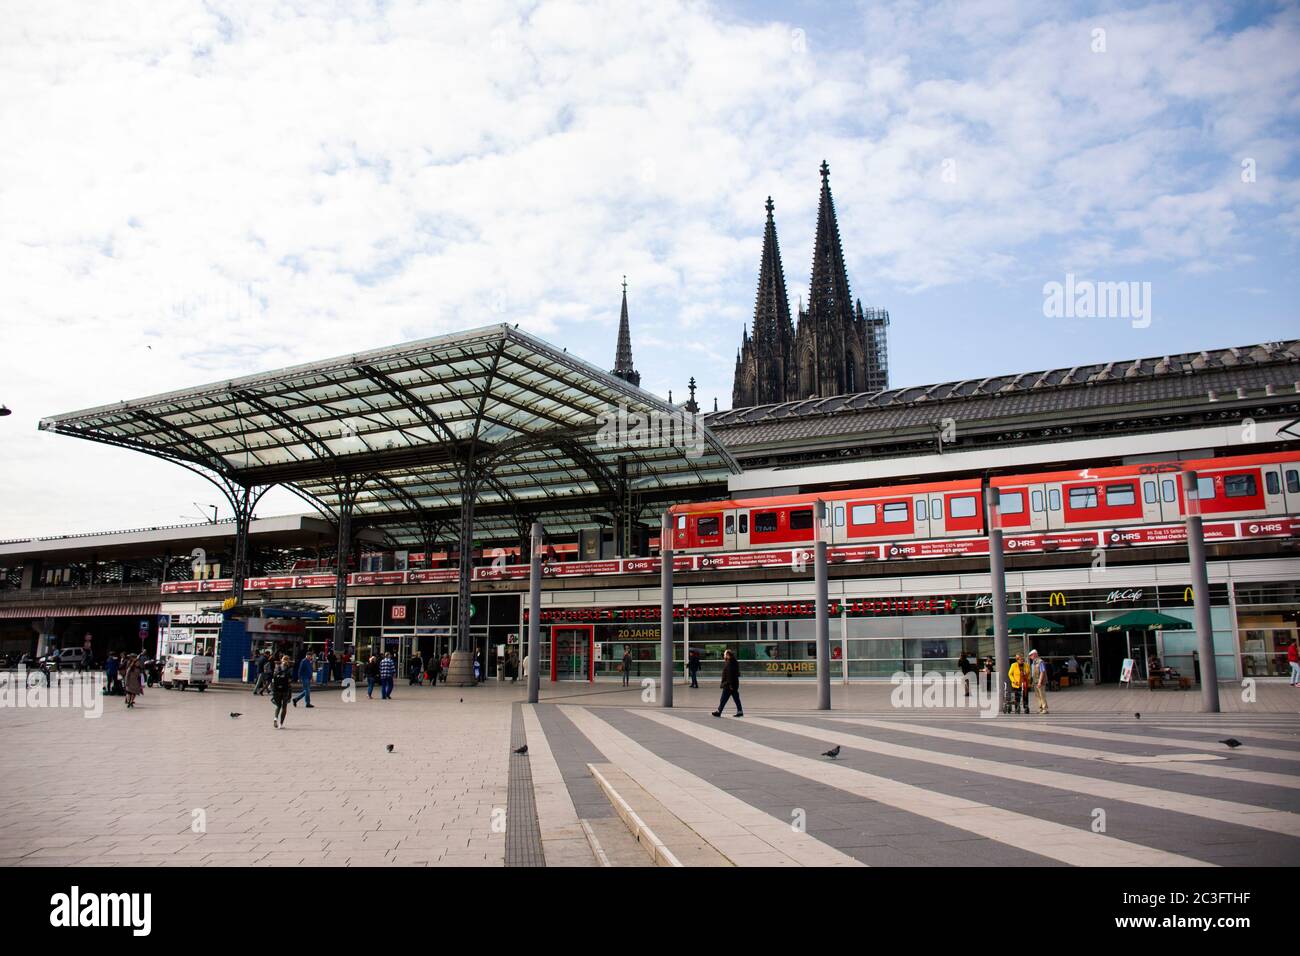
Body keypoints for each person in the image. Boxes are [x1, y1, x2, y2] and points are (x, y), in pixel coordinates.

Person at [712, 649, 743, 718]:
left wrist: (730, 684)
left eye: (725, 655)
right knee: (736, 698)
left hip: (729, 685)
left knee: (723, 699)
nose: (724, 656)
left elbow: (730, 674)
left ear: (728, 655)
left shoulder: (730, 663)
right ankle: (740, 711)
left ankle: (719, 712)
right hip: (733, 684)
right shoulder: (733, 661)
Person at [271, 655, 292, 729]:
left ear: (281, 660)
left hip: (276, 690)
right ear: (288, 660)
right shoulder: (289, 669)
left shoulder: (277, 667)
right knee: (284, 707)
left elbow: (273, 679)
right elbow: (289, 681)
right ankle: (280, 724)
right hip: (285, 690)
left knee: (278, 706)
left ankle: (275, 718)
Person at [1029, 649, 1049, 714]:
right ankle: (1040, 708)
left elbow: (1042, 672)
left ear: (1035, 654)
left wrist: (1040, 682)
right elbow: (1033, 673)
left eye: (1031, 655)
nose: (1030, 657)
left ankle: (1044, 708)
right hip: (1035, 681)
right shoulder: (1033, 663)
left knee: (1042, 695)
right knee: (1038, 696)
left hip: (1040, 681)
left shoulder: (1040, 662)